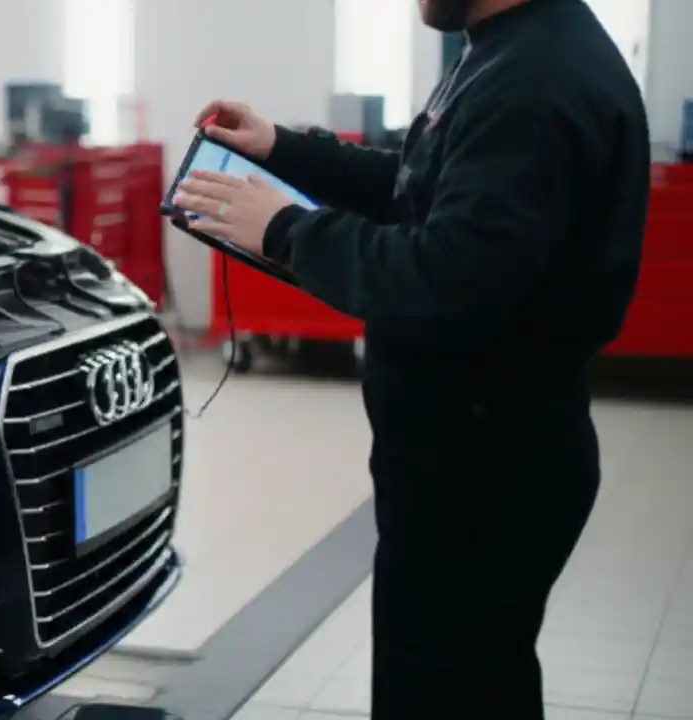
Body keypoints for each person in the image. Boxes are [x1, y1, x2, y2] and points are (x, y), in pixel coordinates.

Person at [172, 0, 650, 718]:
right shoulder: (505, 51)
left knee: (446, 687)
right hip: (471, 461)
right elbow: (419, 189)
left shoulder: (537, 82)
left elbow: (447, 278)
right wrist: (283, 148)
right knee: (471, 679)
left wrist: (288, 231)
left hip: (487, 477)